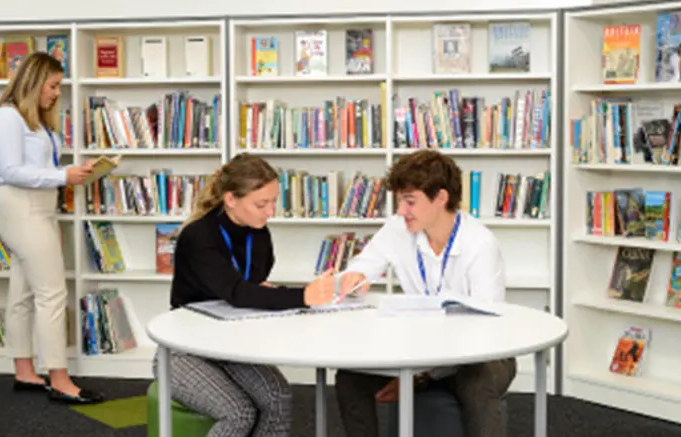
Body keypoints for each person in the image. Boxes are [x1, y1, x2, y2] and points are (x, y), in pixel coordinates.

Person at [335, 149, 517, 437]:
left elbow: (486, 331)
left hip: (477, 356)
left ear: (441, 198)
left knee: (476, 383)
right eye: (400, 201)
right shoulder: (399, 229)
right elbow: (360, 267)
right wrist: (353, 277)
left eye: (410, 202)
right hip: (418, 349)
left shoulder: (480, 244)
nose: (400, 211)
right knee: (350, 380)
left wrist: (421, 377)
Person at [155, 153, 337, 437]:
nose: (271, 212)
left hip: (232, 345)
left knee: (278, 398)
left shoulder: (259, 234)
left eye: (274, 201)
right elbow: (240, 293)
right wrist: (305, 296)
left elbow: (253, 289)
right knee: (238, 413)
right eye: (261, 204)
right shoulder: (198, 236)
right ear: (231, 199)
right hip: (185, 350)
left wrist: (260, 293)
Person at [0, 52, 103, 404]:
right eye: (52, 86)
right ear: (34, 81)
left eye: (59, 87)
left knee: (23, 293)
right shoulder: (7, 118)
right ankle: (61, 379)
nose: (56, 94)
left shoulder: (35, 122)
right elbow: (10, 170)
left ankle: (25, 371)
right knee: (52, 294)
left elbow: (37, 167)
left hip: (39, 206)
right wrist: (62, 175)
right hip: (20, 207)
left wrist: (75, 171)